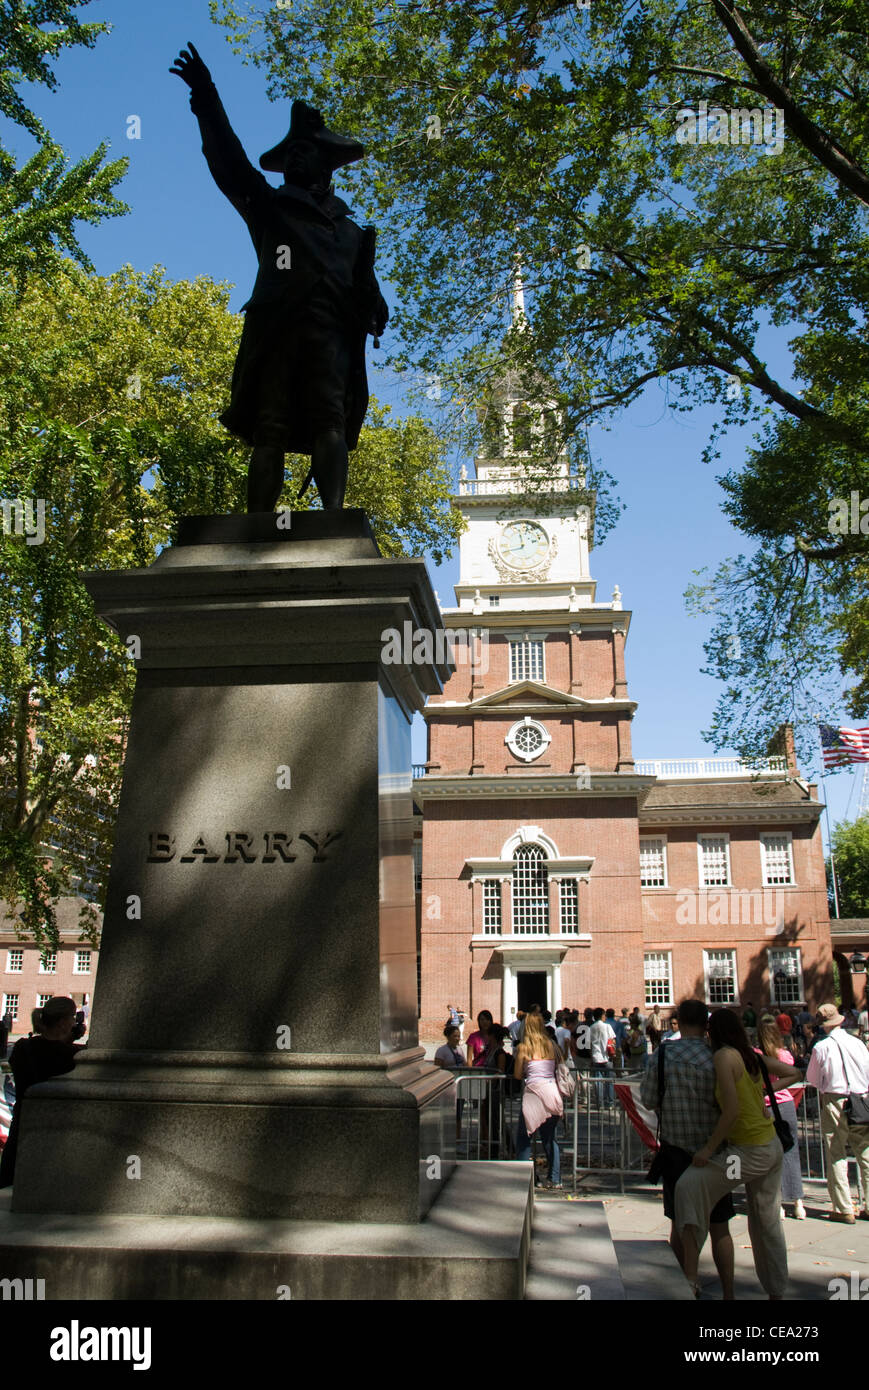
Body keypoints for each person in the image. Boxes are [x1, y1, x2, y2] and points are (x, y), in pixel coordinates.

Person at [170, 44, 388, 511]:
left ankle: (333, 520)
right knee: (269, 426)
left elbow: (366, 291)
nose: (293, 159)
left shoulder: (353, 232)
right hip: (277, 331)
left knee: (331, 421)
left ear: (326, 165)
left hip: (330, 338)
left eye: (303, 152)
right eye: (289, 153)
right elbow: (229, 165)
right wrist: (206, 98)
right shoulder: (269, 209)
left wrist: (375, 306)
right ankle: (257, 524)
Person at [674, 1008, 803, 1299]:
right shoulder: (750, 1055)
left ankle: (691, 1278)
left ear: (713, 1032)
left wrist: (707, 1150)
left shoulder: (723, 1057)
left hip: (745, 1153)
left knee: (690, 1186)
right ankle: (776, 1290)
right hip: (770, 1148)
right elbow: (794, 1073)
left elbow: (731, 1111)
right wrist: (763, 1097)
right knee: (766, 1221)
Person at [641, 999, 736, 1299]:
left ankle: (684, 1287)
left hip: (676, 1150)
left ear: (678, 1021)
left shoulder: (665, 1053)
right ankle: (730, 1294)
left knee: (680, 1222)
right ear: (705, 1024)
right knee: (720, 1225)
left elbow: (647, 1098)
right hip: (715, 1151)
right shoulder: (717, 1055)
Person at [0, 997, 85, 1188]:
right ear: (63, 1022)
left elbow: (44, 1049)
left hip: (22, 1122)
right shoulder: (69, 1055)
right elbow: (57, 1056)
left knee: (9, 1180)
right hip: (52, 1128)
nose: (74, 1021)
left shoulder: (23, 1047)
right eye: (72, 1017)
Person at [806, 1003, 869, 1224]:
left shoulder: (822, 1047)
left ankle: (843, 1208)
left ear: (823, 1024)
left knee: (836, 1153)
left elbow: (812, 1079)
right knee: (865, 1152)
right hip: (861, 1098)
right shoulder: (858, 1043)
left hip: (835, 1099)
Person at [755, 1018, 806, 1220]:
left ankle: (778, 1205)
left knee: (768, 1156)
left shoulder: (757, 1056)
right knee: (790, 1152)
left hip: (765, 1106)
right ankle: (798, 1203)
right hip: (785, 1105)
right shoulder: (785, 1055)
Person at [513, 1011, 564, 1189]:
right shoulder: (551, 1045)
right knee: (550, 1138)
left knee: (524, 1137)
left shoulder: (524, 1047)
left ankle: (524, 1178)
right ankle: (555, 1178)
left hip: (534, 1094)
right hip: (552, 1092)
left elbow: (518, 1074)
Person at [434, 1024, 466, 1140]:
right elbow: (437, 1068)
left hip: (460, 1087)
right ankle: (446, 1138)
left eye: (459, 1036)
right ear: (448, 1037)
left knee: (458, 1115)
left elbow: (465, 1065)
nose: (457, 1038)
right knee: (448, 1115)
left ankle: (458, 1139)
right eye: (455, 1036)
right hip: (447, 1088)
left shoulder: (460, 1050)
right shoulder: (441, 1051)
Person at [590, 1007, 615, 1106]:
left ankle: (600, 1103)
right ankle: (610, 1102)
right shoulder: (607, 1026)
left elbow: (589, 1044)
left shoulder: (591, 1027)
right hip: (607, 1056)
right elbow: (613, 1041)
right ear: (602, 1016)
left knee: (598, 1081)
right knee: (609, 1081)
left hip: (596, 1056)